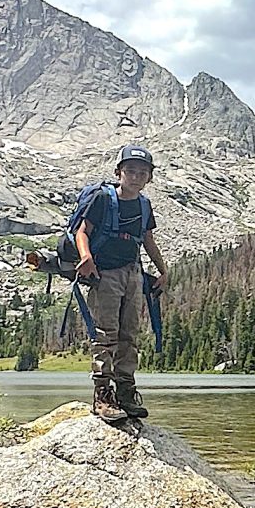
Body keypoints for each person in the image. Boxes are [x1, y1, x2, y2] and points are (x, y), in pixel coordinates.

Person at [71, 144, 168, 425]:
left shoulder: (144, 205)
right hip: (106, 274)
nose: (136, 177)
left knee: (130, 333)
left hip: (133, 273)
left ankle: (126, 392)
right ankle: (103, 394)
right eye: (130, 171)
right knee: (105, 332)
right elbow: (82, 232)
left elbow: (147, 239)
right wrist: (86, 257)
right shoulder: (102, 199)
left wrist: (162, 270)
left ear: (149, 177)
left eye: (142, 172)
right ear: (119, 172)